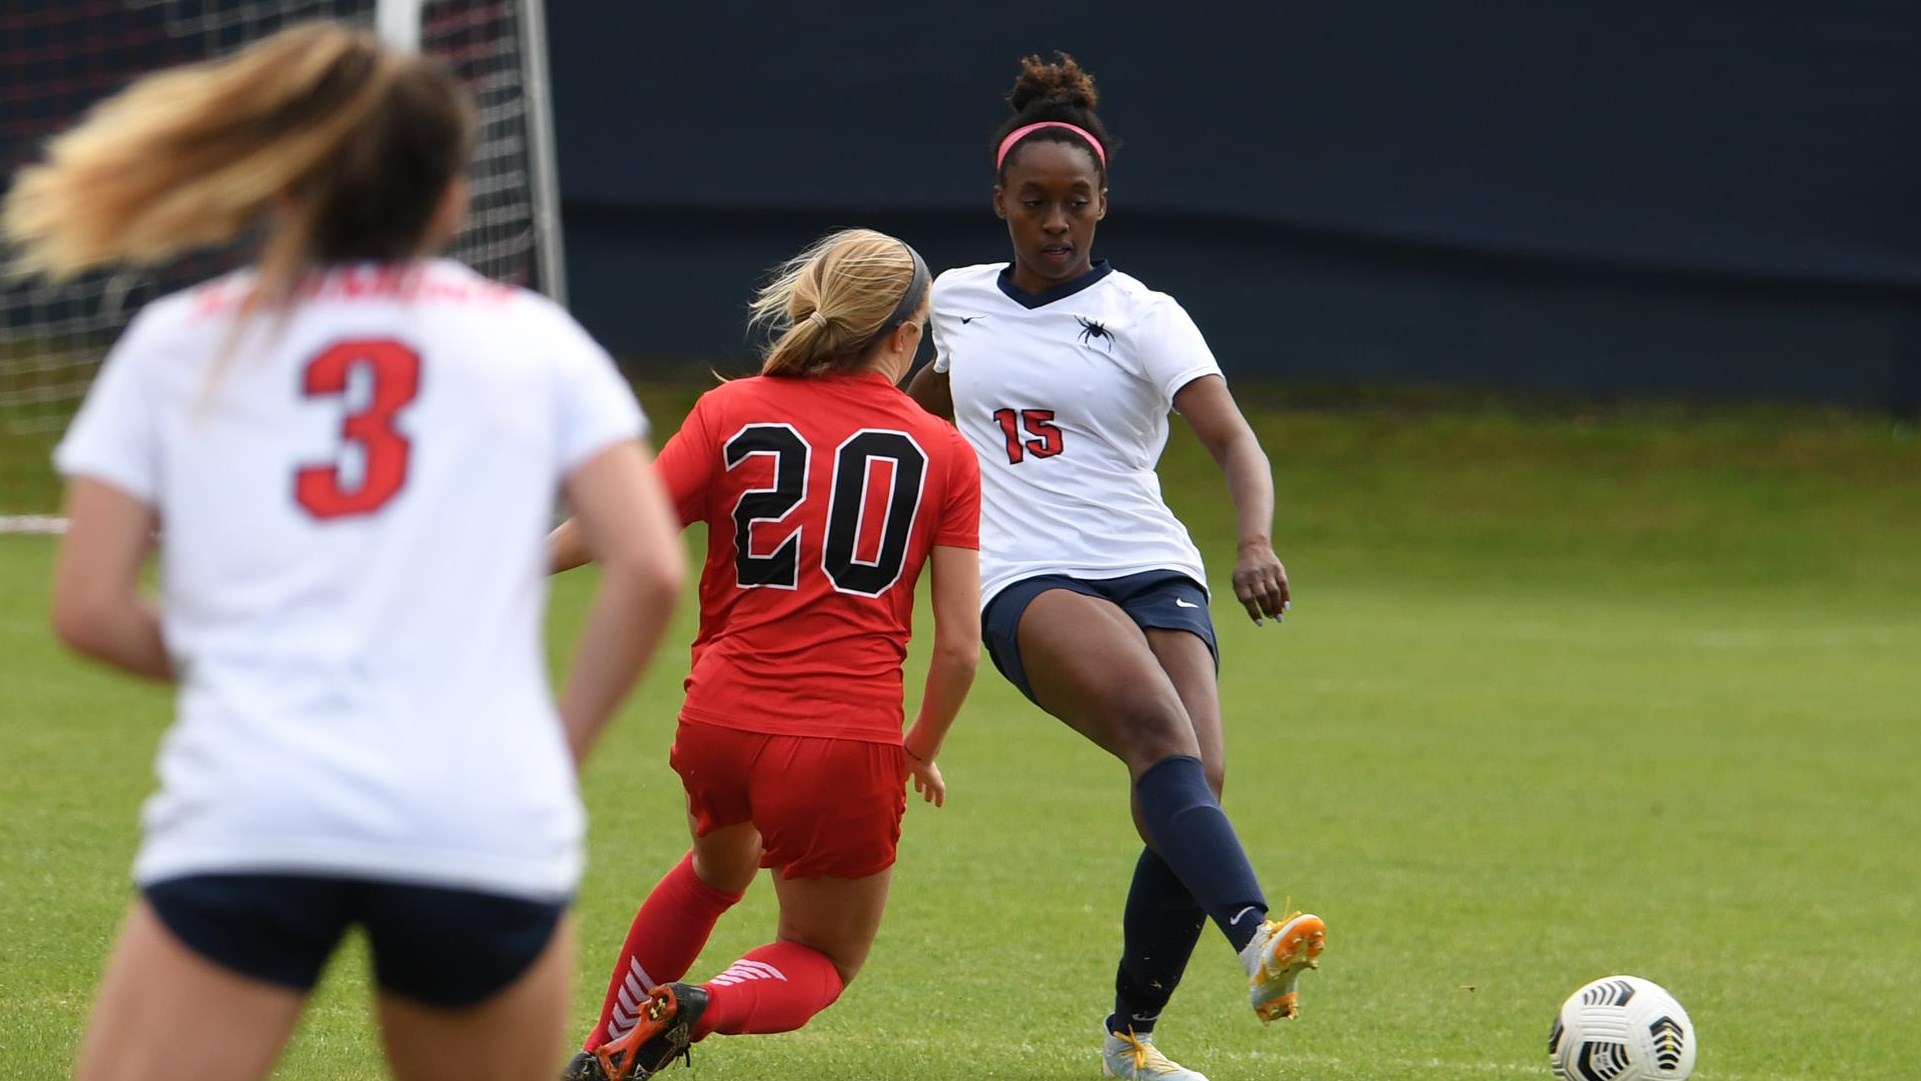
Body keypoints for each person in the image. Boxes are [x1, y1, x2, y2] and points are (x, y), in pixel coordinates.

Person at [5, 24, 685, 1081]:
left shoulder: (181, 339)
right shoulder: (535, 340)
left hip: (259, 802)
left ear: (282, 185)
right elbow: (646, 565)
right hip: (478, 813)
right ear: (452, 195)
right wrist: (556, 749)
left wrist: (252, 670)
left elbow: (88, 609)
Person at [906, 53, 1324, 1081]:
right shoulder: (952, 301)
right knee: (1155, 731)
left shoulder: (1145, 312)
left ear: (1103, 205)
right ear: (999, 201)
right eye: (1034, 203)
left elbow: (1234, 442)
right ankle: (1257, 939)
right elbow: (900, 411)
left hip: (1149, 563)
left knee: (1194, 776)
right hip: (1021, 572)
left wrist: (1254, 538)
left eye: (1076, 204)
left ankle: (1128, 1040)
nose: (1056, 223)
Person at [549, 228, 982, 1081]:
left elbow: (617, 522)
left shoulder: (729, 409)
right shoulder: (945, 452)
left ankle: (607, 1056)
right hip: (840, 739)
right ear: (903, 334)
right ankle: (700, 1005)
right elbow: (961, 649)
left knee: (719, 867)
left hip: (717, 718)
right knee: (820, 956)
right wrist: (920, 745)